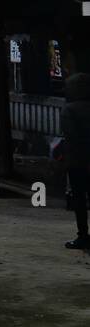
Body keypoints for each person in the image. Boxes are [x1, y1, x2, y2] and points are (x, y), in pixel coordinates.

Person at [63, 72, 90, 249]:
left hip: (78, 161)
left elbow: (69, 136)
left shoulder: (69, 109)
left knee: (79, 199)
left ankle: (83, 236)